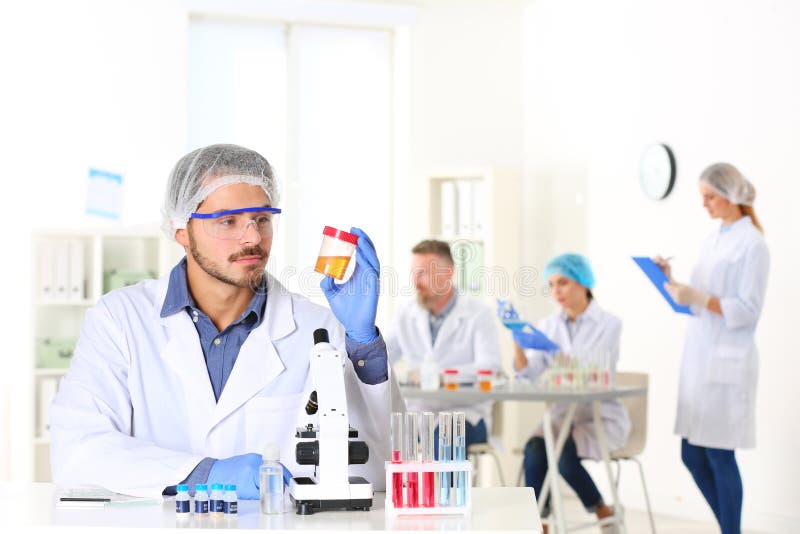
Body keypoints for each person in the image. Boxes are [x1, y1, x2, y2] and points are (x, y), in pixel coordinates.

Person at [50, 144, 393, 498]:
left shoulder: (319, 330)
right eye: (228, 221)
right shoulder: (120, 320)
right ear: (181, 230)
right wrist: (204, 474)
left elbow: (374, 468)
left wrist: (363, 342)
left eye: (262, 219)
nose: (253, 238)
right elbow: (77, 451)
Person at [654, 163, 769, 534]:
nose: (704, 204)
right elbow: (699, 299)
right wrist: (671, 282)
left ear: (733, 195)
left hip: (728, 361)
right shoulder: (714, 239)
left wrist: (700, 298)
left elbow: (748, 310)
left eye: (710, 197)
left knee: (719, 454)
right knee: (691, 453)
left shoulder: (753, 244)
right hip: (700, 359)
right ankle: (729, 529)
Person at [513, 253, 630, 532]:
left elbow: (593, 370)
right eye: (551, 285)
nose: (556, 291)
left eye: (563, 283)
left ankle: (602, 510)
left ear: (583, 282)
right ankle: (540, 524)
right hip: (561, 415)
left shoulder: (609, 324)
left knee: (564, 458)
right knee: (535, 450)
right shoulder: (548, 325)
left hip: (597, 416)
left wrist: (552, 351)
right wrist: (518, 343)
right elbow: (532, 373)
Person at [387, 239, 501, 450]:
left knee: (444, 439)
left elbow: (490, 367)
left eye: (424, 273)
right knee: (380, 438)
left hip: (466, 413)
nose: (416, 282)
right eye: (414, 273)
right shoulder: (406, 313)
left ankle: (447, 475)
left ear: (448, 273)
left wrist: (440, 376)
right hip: (419, 412)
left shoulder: (478, 314)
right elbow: (383, 358)